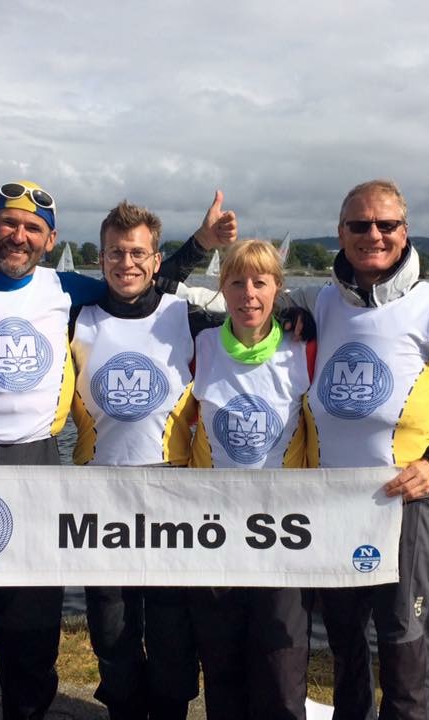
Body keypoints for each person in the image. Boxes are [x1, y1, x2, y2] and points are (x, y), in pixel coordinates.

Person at [0, 180, 236, 720]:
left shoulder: (64, 290)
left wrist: (205, 246)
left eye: (33, 228)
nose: (20, 235)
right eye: (9, 222)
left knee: (32, 638)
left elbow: (141, 285)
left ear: (50, 238)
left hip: (34, 468)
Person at [290, 180, 429, 720]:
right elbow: (238, 298)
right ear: (341, 232)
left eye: (386, 225)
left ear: (405, 232)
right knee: (345, 655)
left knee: (406, 661)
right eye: (359, 225)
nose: (373, 235)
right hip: (333, 509)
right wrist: (201, 248)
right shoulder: (318, 300)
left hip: (406, 507)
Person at [69, 200, 229, 720]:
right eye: (116, 253)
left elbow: (258, 320)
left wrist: (300, 319)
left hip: (171, 498)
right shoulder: (77, 317)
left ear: (156, 260)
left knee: (170, 633)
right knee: (112, 629)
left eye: (138, 253)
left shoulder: (186, 314)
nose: (127, 263)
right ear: (102, 258)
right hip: (101, 498)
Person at [187, 239, 313, 720]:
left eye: (260, 282)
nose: (248, 294)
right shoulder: (200, 346)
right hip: (214, 534)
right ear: (222, 288)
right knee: (222, 673)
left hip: (283, 537)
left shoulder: (304, 349)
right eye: (236, 282)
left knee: (280, 678)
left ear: (277, 289)